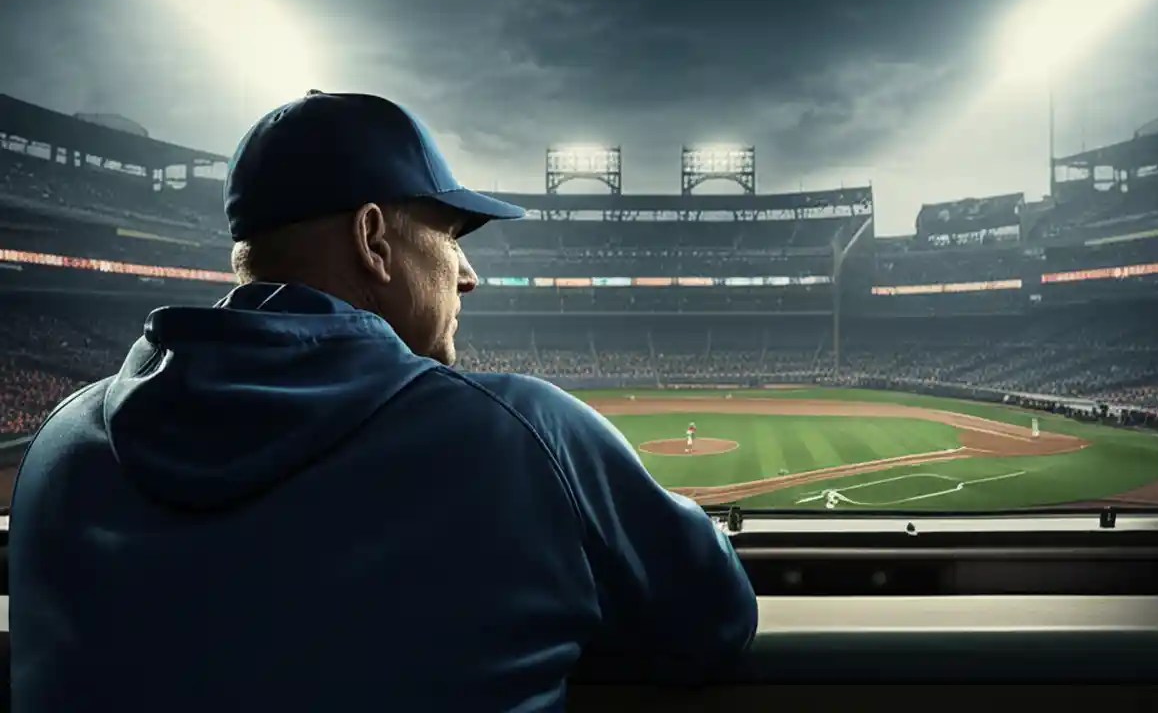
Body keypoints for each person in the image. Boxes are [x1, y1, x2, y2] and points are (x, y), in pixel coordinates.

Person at [8, 91, 757, 712]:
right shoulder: (524, 434)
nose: (468, 275)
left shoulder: (63, 445)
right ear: (374, 238)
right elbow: (713, 620)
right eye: (451, 233)